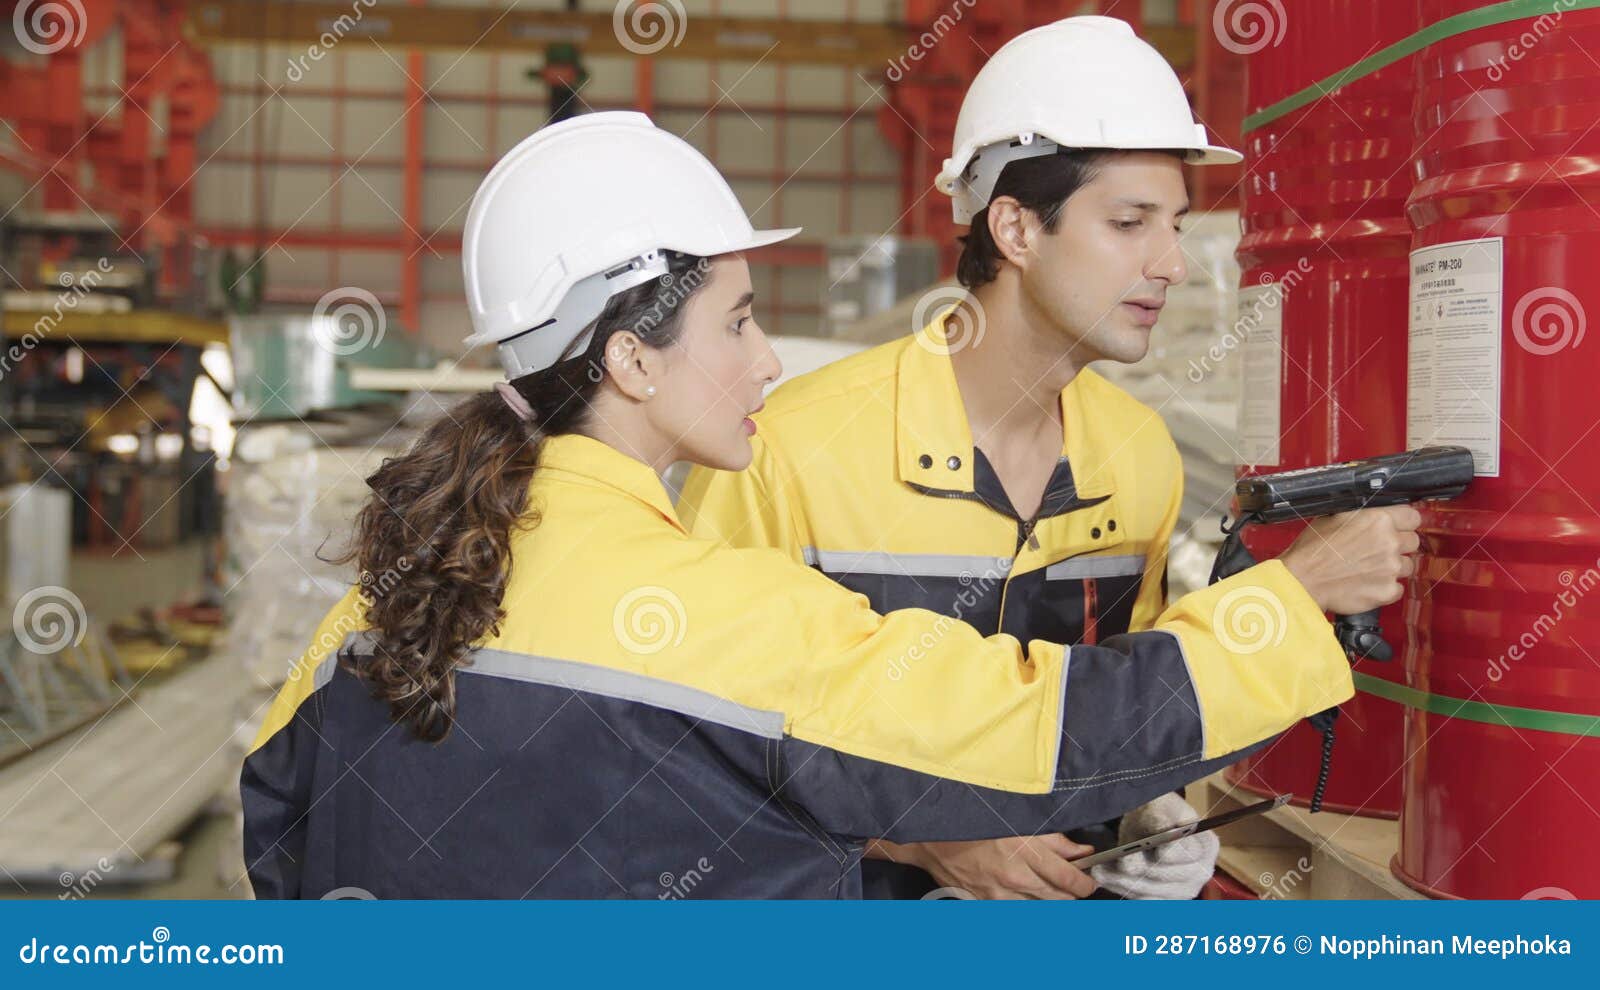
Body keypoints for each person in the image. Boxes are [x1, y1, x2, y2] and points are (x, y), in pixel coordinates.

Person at [239, 112, 1390, 900]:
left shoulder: (390, 601)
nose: (768, 363)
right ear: (633, 360)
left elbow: (277, 827)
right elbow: (1043, 728)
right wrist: (1288, 608)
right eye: (737, 322)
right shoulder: (728, 622)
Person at [678, 16, 1422, 899]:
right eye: (1129, 223)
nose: (1174, 263)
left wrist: (1145, 806)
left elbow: (1117, 704)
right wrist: (920, 840)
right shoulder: (794, 449)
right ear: (1017, 229)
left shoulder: (1139, 458)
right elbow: (700, 739)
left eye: (1176, 225)